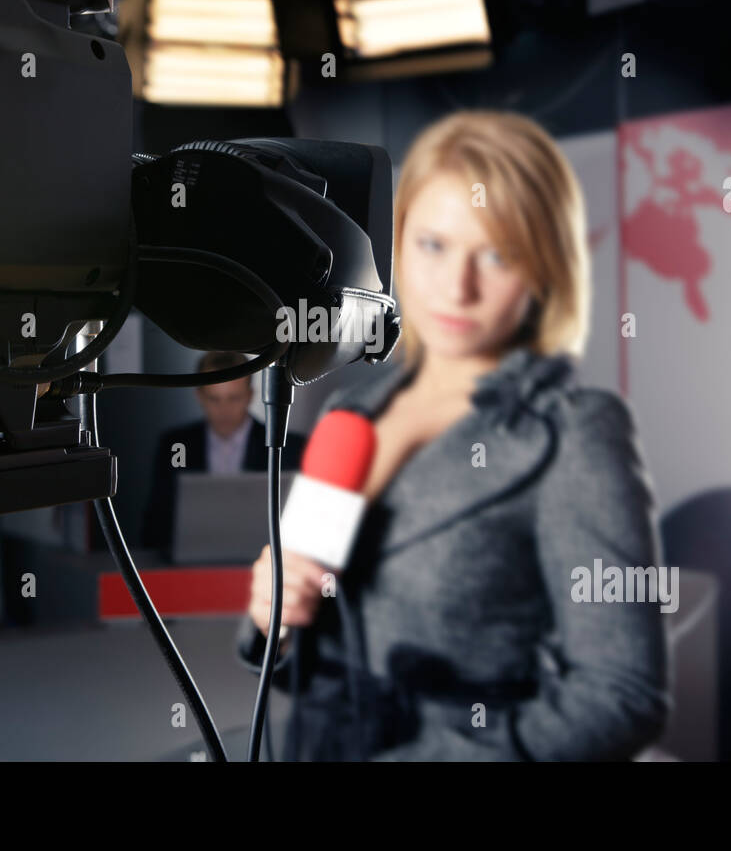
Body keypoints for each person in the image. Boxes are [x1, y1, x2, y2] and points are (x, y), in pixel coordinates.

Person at [235, 110, 671, 760]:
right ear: (400, 241)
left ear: (547, 269)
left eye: (497, 254)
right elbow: (288, 644)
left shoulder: (576, 432)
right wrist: (270, 617)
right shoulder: (349, 412)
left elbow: (623, 694)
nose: (457, 287)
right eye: (434, 245)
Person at [140, 351, 306, 557]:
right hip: (192, 566)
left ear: (250, 396)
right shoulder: (176, 445)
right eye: (214, 399)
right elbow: (158, 519)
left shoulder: (287, 447)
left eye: (233, 398)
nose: (224, 409)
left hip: (265, 564)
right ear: (200, 396)